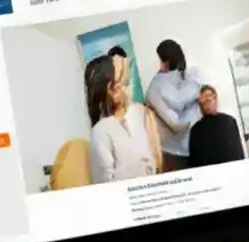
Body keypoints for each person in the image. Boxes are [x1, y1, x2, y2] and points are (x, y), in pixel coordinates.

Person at [85, 54, 162, 184]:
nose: (128, 87)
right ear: (111, 89)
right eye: (124, 83)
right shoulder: (101, 131)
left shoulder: (138, 115)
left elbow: (153, 159)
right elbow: (105, 184)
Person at [145, 39, 202, 172]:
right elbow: (176, 125)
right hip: (173, 155)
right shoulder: (156, 89)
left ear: (166, 62)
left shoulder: (190, 77)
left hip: (192, 149)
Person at [189, 85, 247, 168]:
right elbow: (195, 162)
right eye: (203, 100)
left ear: (215, 99)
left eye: (209, 98)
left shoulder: (229, 121)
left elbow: (238, 152)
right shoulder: (195, 130)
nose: (207, 102)